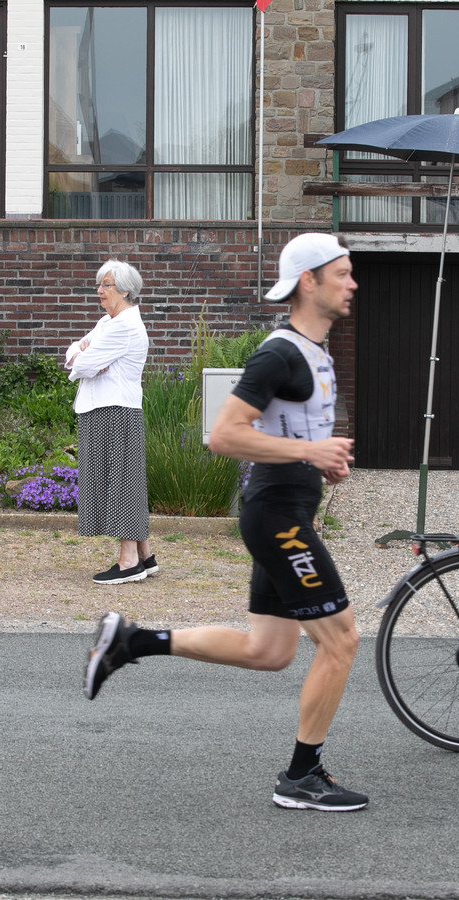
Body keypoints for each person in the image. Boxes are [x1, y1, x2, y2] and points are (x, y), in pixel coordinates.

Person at [83, 232, 367, 812]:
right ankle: (301, 776)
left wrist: (318, 460)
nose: (352, 283)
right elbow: (223, 435)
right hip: (277, 518)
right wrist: (311, 455)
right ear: (308, 281)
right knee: (341, 641)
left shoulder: (313, 352)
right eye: (342, 273)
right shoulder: (280, 352)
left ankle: (134, 643)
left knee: (269, 651)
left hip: (285, 508)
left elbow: (287, 434)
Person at [65, 259, 155, 586]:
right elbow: (75, 355)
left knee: (119, 481)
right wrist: (82, 357)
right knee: (120, 479)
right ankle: (144, 554)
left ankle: (128, 561)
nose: (99, 291)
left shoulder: (123, 326)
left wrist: (86, 360)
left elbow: (85, 364)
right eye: (99, 285)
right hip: (103, 408)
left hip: (114, 409)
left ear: (125, 290)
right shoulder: (108, 322)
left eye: (106, 285)